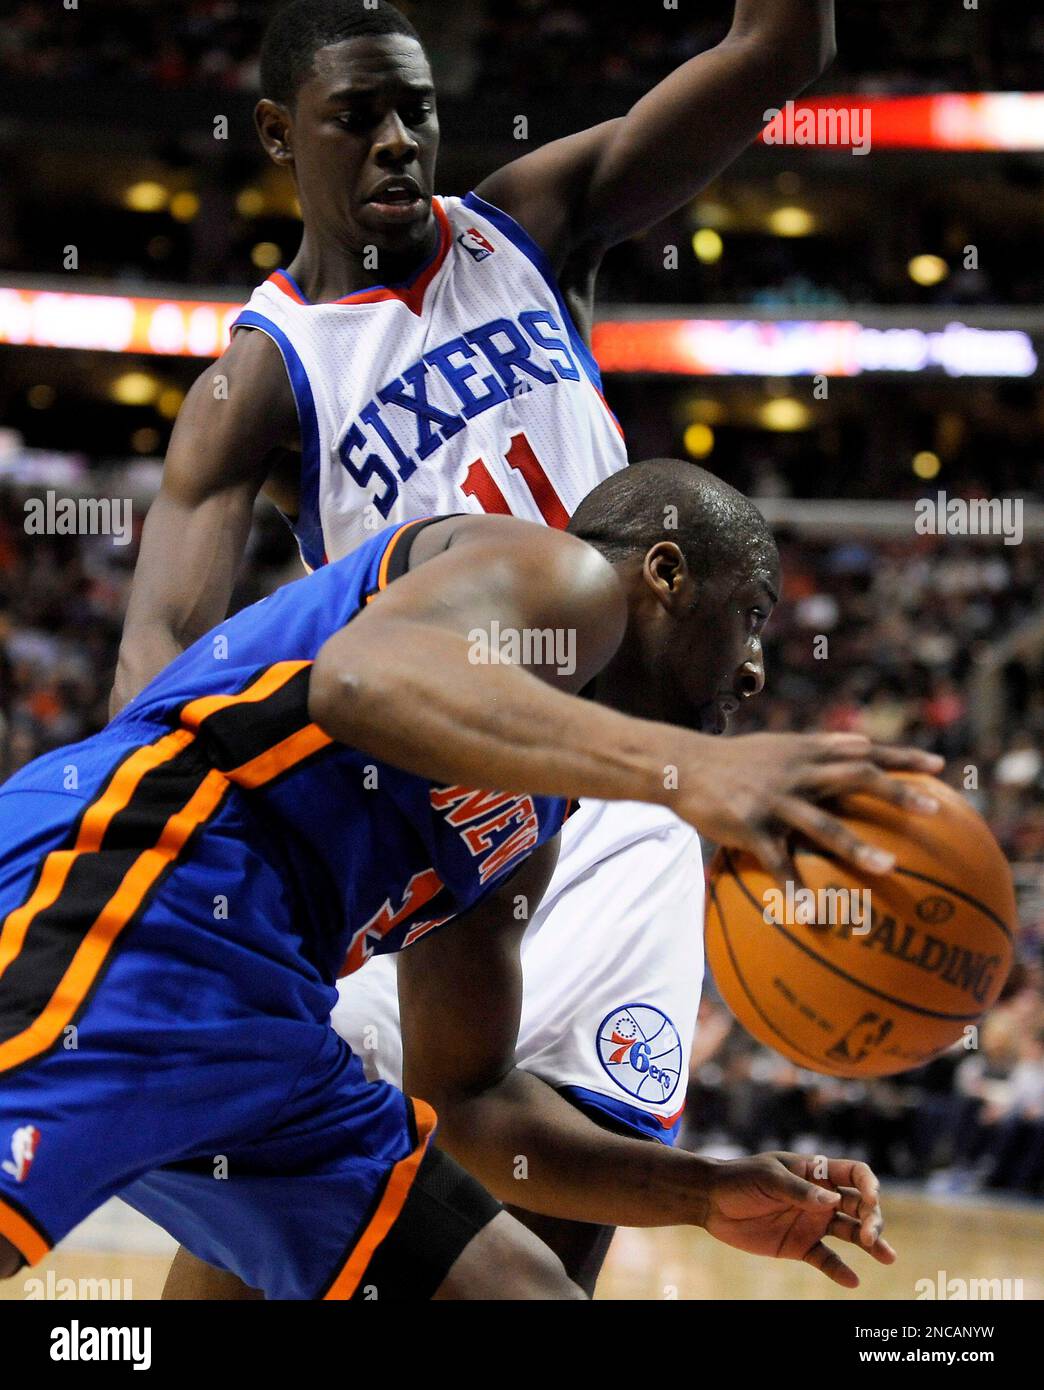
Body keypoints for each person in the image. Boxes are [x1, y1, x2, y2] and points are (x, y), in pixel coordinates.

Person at [113, 0, 839, 1288]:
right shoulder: (264, 375)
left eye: (419, 113)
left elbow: (774, 56)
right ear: (280, 133)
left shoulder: (526, 225)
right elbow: (160, 663)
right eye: (358, 118)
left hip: (626, 775)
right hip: (436, 789)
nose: (400, 143)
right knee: (274, 1219)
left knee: (542, 1247)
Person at [0, 463, 939, 1299]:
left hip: (266, 1020)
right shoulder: (561, 581)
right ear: (665, 573)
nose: (757, 666)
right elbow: (361, 681)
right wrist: (691, 773)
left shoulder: (534, 814)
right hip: (132, 894)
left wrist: (707, 1191)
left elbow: (473, 1098)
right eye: (753, 614)